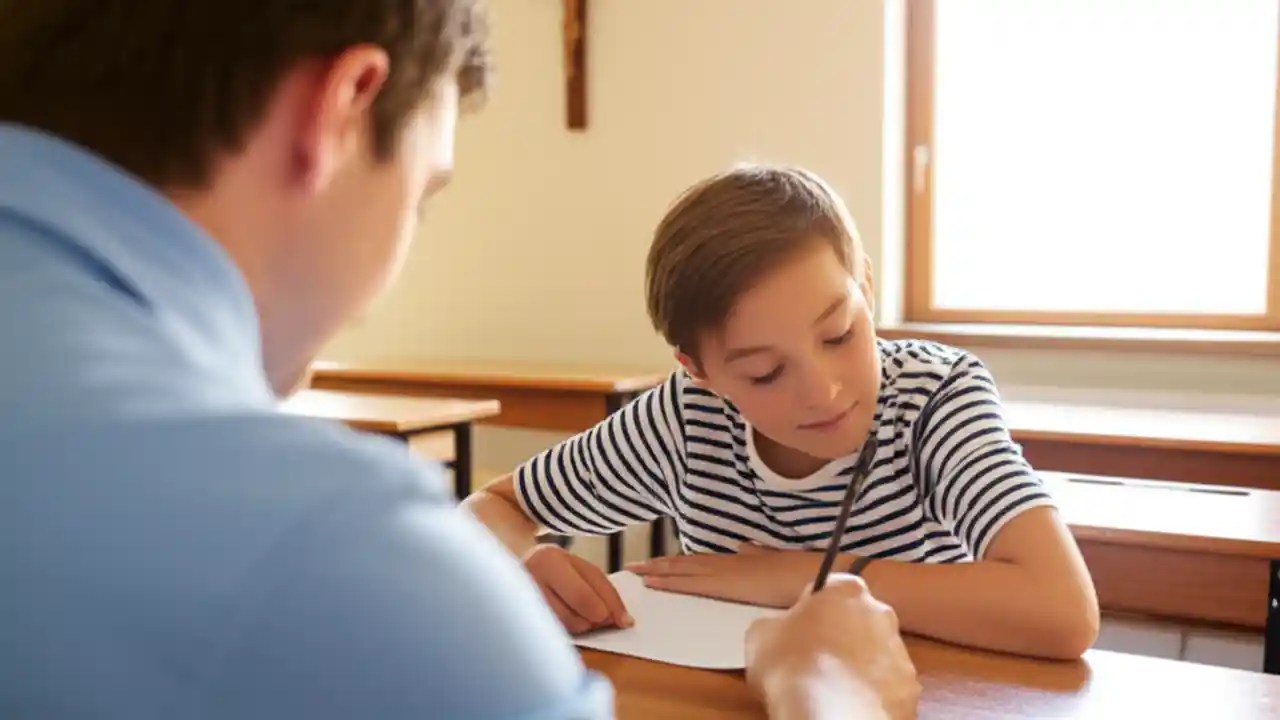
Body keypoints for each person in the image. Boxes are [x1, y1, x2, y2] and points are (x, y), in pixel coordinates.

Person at [0, 2, 917, 718]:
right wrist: (832, 695)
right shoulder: (332, 552)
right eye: (424, 193)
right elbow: (506, 510)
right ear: (343, 108)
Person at [464, 165, 1101, 660]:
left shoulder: (934, 398)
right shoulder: (686, 418)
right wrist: (520, 564)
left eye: (840, 334)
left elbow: (1063, 610)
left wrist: (799, 577)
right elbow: (491, 508)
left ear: (866, 291)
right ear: (702, 373)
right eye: (765, 373)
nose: (822, 390)